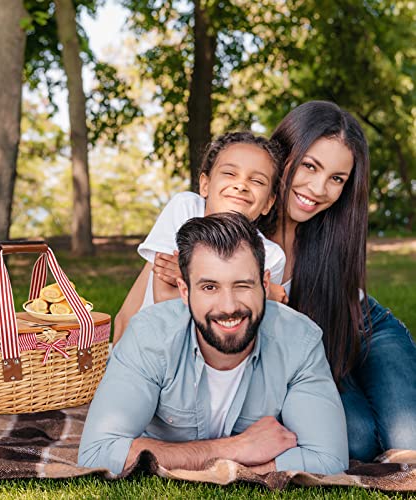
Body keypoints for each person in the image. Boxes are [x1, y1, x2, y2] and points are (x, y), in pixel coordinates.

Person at [155, 101, 416, 462]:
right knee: (357, 440)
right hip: (318, 353)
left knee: (408, 438)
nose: (319, 189)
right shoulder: (227, 226)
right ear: (284, 155)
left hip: (364, 325)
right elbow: (142, 315)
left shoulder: (330, 233)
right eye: (310, 166)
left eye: (337, 179)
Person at [79, 213, 348, 475]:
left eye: (242, 285)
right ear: (185, 291)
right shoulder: (149, 336)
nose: (229, 306)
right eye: (210, 287)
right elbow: (97, 453)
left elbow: (327, 458)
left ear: (265, 285)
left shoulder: (299, 341)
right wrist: (237, 449)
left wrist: (171, 458)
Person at [113, 132, 287, 343]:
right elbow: (165, 299)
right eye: (230, 173)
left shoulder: (271, 256)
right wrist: (254, 291)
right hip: (148, 343)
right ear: (205, 184)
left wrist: (188, 274)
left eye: (257, 180)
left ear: (269, 202)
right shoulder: (185, 208)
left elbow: (239, 324)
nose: (241, 185)